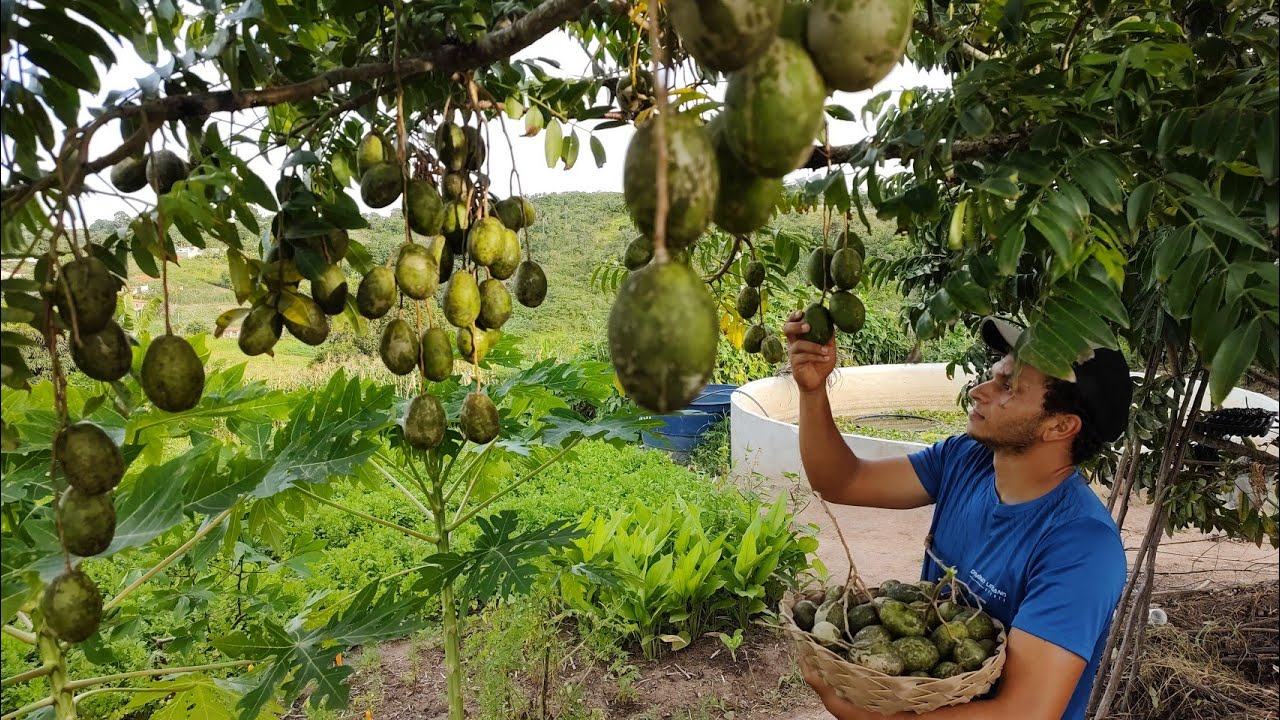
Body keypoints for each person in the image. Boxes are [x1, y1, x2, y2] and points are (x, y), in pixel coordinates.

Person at [782, 313, 1132, 720]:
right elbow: (843, 480)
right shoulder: (967, 459)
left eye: (1008, 386)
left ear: (1059, 426)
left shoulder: (1082, 549)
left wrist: (854, 711)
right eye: (993, 375)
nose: (979, 391)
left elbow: (1023, 712)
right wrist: (812, 389)